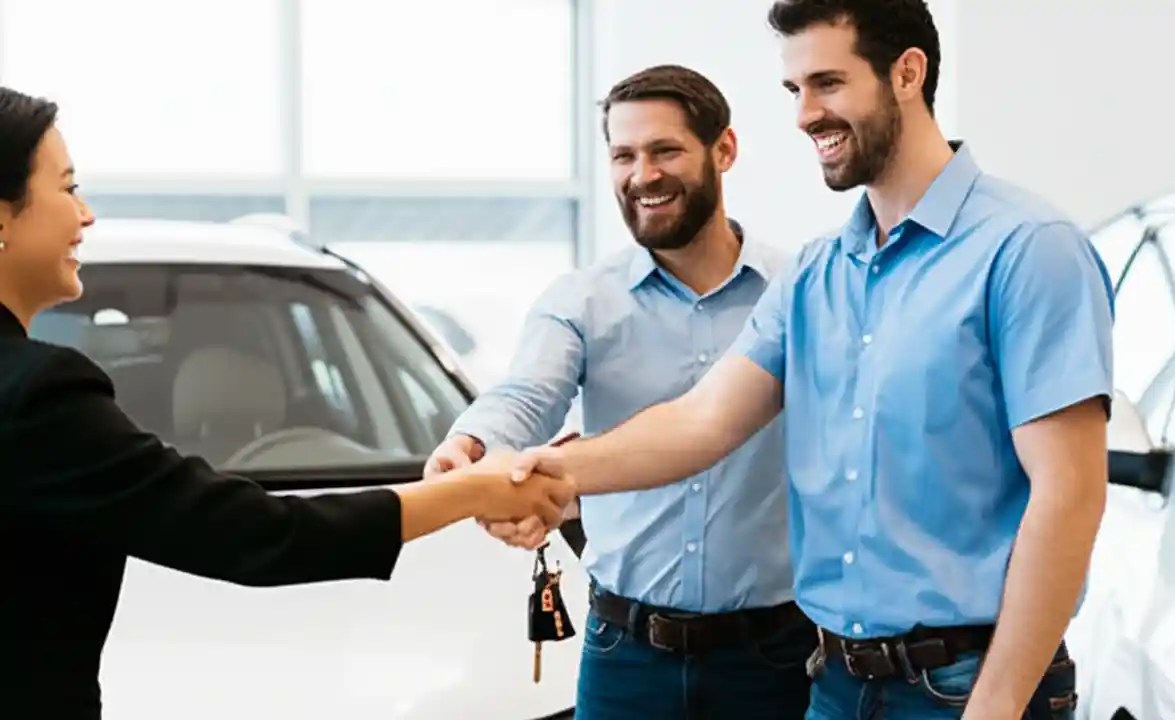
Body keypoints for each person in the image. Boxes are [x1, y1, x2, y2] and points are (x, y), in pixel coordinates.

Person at [494, 2, 1115, 718]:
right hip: (837, 685)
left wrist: (997, 706)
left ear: (907, 73)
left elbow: (1069, 495)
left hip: (970, 687)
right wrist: (547, 473)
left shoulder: (1028, 248)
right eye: (795, 91)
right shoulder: (818, 272)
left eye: (827, 83)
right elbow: (702, 422)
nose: (804, 115)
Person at [0, 85, 576, 720]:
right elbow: (259, 532)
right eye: (68, 187)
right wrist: (471, 492)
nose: (86, 215)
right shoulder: (37, 395)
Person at [425, 65, 815, 719]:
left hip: (774, 657)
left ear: (724, 150)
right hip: (625, 656)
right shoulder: (583, 300)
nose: (643, 175)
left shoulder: (800, 290)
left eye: (665, 150)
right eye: (623, 156)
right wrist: (469, 445)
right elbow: (526, 394)